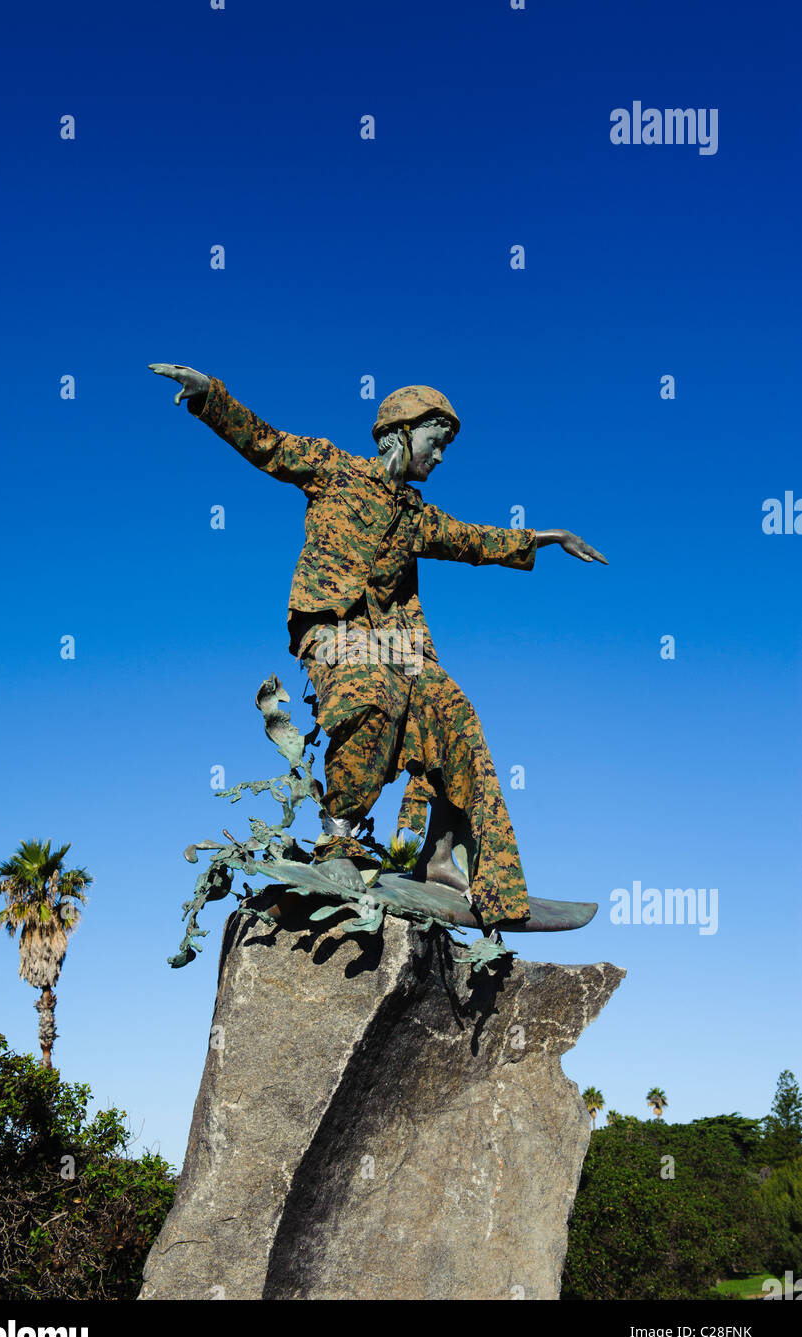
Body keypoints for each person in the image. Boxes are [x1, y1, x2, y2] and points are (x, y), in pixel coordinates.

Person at [149, 363, 607, 930]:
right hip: (333, 632)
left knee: (456, 714)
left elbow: (476, 540)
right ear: (402, 433)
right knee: (372, 694)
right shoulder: (333, 470)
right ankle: (339, 842)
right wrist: (210, 396)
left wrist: (548, 536)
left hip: (400, 646)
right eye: (435, 445)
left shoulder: (416, 517)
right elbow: (265, 443)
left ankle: (451, 860)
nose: (439, 459)